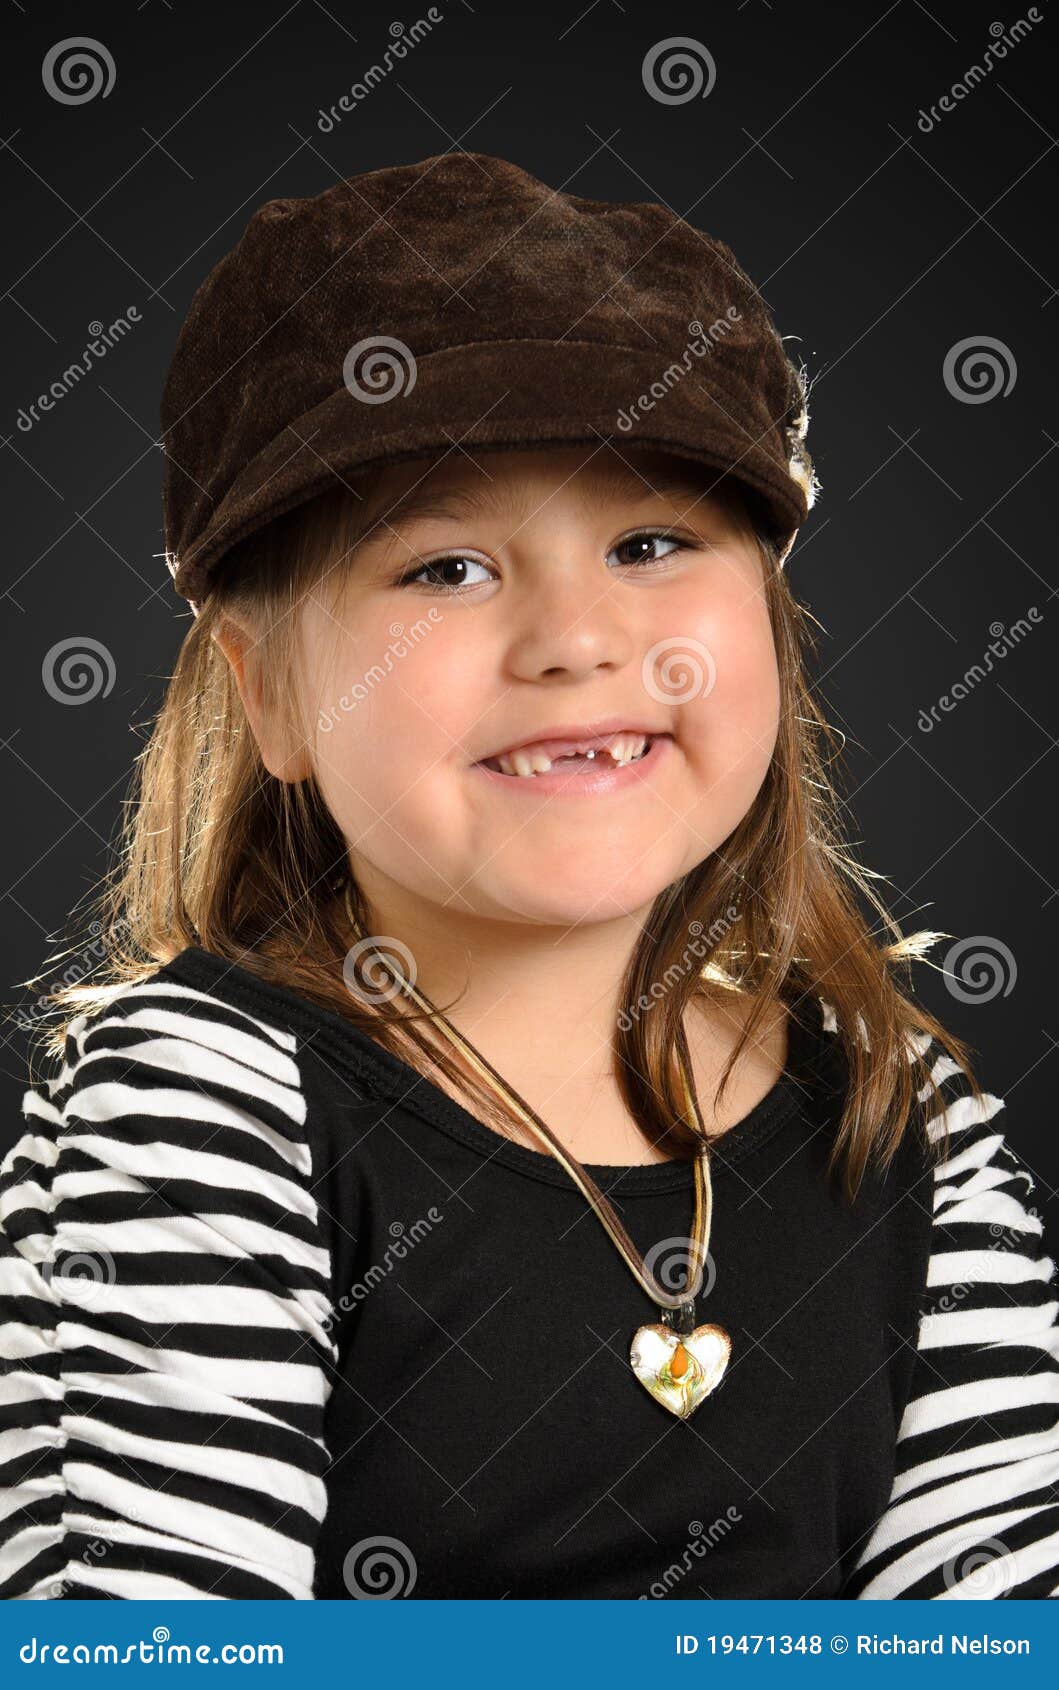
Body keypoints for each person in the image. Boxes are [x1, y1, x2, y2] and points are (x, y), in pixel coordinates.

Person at [2, 152, 1057, 1603]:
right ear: (273, 696)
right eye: (444, 567)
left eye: (650, 541)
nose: (575, 637)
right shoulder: (204, 1098)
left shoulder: (902, 1117)